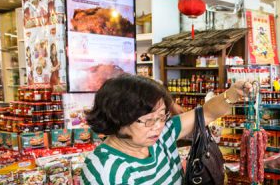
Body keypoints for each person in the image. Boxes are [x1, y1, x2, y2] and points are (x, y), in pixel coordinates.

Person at [82, 75, 252, 184]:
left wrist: (231, 94)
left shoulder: (162, 136)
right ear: (117, 118)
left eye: (162, 116)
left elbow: (206, 113)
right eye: (149, 120)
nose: (158, 126)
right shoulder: (106, 171)